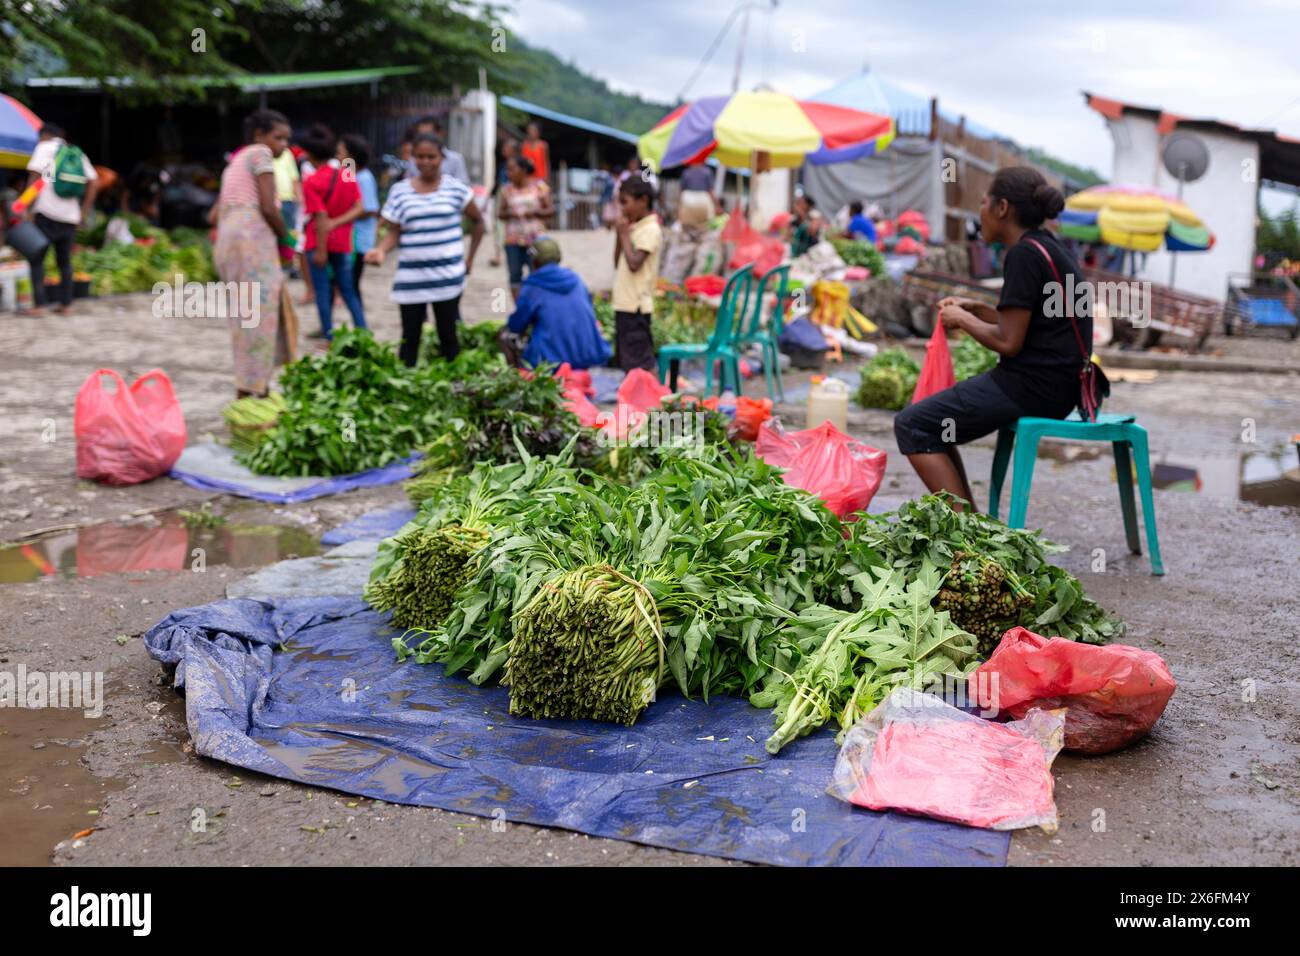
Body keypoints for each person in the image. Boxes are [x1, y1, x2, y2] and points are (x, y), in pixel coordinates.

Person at [894, 166, 1090, 511]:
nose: (979, 212)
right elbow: (1032, 323)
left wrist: (964, 320)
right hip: (1059, 386)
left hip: (1032, 387)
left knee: (912, 425)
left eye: (984, 203)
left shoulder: (1023, 255)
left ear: (1002, 208)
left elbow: (1008, 342)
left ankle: (965, 531)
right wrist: (980, 309)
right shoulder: (1050, 249)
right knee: (933, 426)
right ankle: (969, 521)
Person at [365, 133, 485, 366]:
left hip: (447, 279)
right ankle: (406, 389)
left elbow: (478, 222)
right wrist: (380, 250)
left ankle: (457, 388)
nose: (425, 162)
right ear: (412, 158)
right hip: (411, 280)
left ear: (442, 157)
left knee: (448, 337)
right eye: (420, 156)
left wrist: (470, 259)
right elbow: (394, 232)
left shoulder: (457, 189)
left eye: (431, 156)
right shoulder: (400, 191)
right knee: (409, 340)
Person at [211, 109, 291, 397]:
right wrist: (287, 237)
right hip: (252, 240)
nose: (283, 145)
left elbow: (214, 214)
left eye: (286, 140)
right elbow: (268, 207)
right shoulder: (260, 154)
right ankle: (257, 388)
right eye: (278, 137)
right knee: (261, 313)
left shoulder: (233, 163)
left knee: (244, 315)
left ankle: (248, 384)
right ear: (259, 135)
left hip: (228, 241)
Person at [498, 236, 611, 370]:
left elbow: (516, 325)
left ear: (535, 261)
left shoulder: (533, 286)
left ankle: (520, 374)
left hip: (552, 361)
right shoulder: (576, 280)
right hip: (590, 354)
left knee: (505, 335)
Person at [24, 124, 99, 315]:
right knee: (64, 261)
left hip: (46, 212)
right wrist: (83, 212)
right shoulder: (75, 153)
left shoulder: (43, 148)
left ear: (44, 135)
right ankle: (66, 305)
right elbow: (95, 181)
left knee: (37, 259)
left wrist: (26, 206)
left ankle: (39, 306)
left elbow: (34, 177)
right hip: (70, 216)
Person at [300, 125, 366, 340]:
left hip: (317, 242)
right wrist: (337, 223)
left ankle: (329, 337)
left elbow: (319, 217)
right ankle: (362, 332)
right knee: (348, 291)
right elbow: (359, 207)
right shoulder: (346, 173)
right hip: (342, 243)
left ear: (309, 154)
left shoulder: (312, 181)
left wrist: (320, 250)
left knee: (322, 292)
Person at [611, 177, 661, 372]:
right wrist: (619, 235)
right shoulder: (635, 228)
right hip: (625, 304)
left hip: (636, 307)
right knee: (629, 363)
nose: (622, 209)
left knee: (639, 365)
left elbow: (634, 264)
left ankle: (644, 400)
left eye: (625, 202)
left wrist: (624, 235)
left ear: (643, 201)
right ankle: (633, 401)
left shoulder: (650, 230)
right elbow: (617, 263)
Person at [498, 155, 554, 300]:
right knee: (515, 274)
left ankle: (535, 304)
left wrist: (535, 212)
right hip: (513, 241)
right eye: (507, 170)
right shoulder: (506, 190)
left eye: (512, 169)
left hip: (535, 240)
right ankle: (520, 308)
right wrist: (511, 213)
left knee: (536, 271)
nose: (509, 173)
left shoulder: (539, 187)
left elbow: (551, 210)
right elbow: (500, 213)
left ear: (523, 170)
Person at [339, 133, 379, 308]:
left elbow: (369, 209)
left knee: (351, 283)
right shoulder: (351, 174)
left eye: (340, 153)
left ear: (351, 156)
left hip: (359, 240)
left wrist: (343, 215)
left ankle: (359, 322)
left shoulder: (364, 178)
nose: (338, 157)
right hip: (350, 238)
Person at [404, 116, 469, 185]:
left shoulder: (455, 159)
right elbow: (408, 185)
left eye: (431, 157)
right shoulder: (413, 160)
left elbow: (463, 185)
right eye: (421, 135)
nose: (425, 162)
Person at [272, 139, 302, 268]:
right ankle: (277, 265)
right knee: (276, 235)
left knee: (289, 234)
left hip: (288, 201)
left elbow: (294, 177)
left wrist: (298, 197)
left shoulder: (287, 153)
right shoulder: (263, 154)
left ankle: (288, 265)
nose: (283, 143)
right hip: (272, 202)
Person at [488, 137, 517, 268]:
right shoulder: (501, 165)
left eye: (506, 148)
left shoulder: (519, 165)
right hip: (502, 196)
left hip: (514, 197)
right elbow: (497, 182)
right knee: (499, 225)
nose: (503, 151)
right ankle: (498, 255)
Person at [678, 160, 718, 227]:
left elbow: (681, 191)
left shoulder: (686, 172)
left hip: (687, 200)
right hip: (703, 200)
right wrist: (716, 204)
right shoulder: (707, 171)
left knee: (687, 225)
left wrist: (679, 206)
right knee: (703, 225)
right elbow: (711, 191)